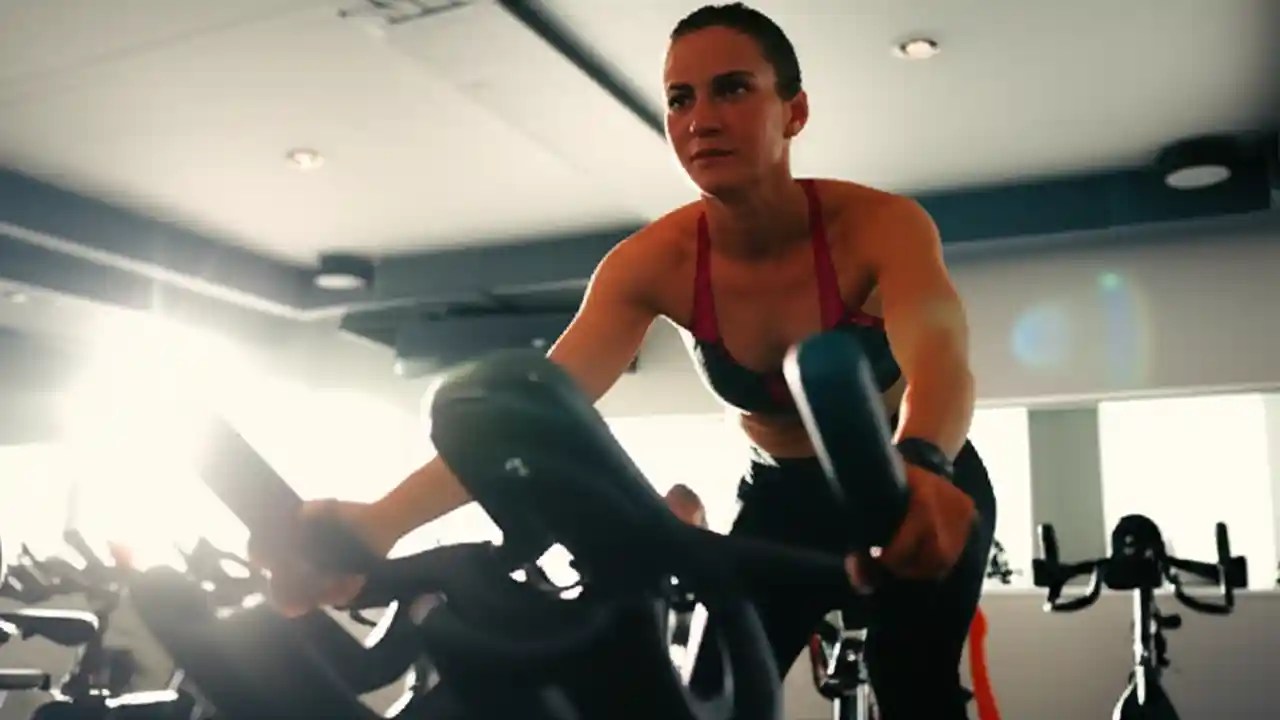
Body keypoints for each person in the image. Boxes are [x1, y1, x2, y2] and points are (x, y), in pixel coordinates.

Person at [251, 3, 996, 718]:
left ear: (793, 111)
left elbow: (940, 355)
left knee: (917, 689)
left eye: (733, 88)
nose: (701, 119)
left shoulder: (878, 225)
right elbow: (536, 413)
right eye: (680, 99)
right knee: (711, 695)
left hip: (908, 482)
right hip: (779, 502)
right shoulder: (654, 262)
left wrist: (926, 461)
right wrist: (380, 523)